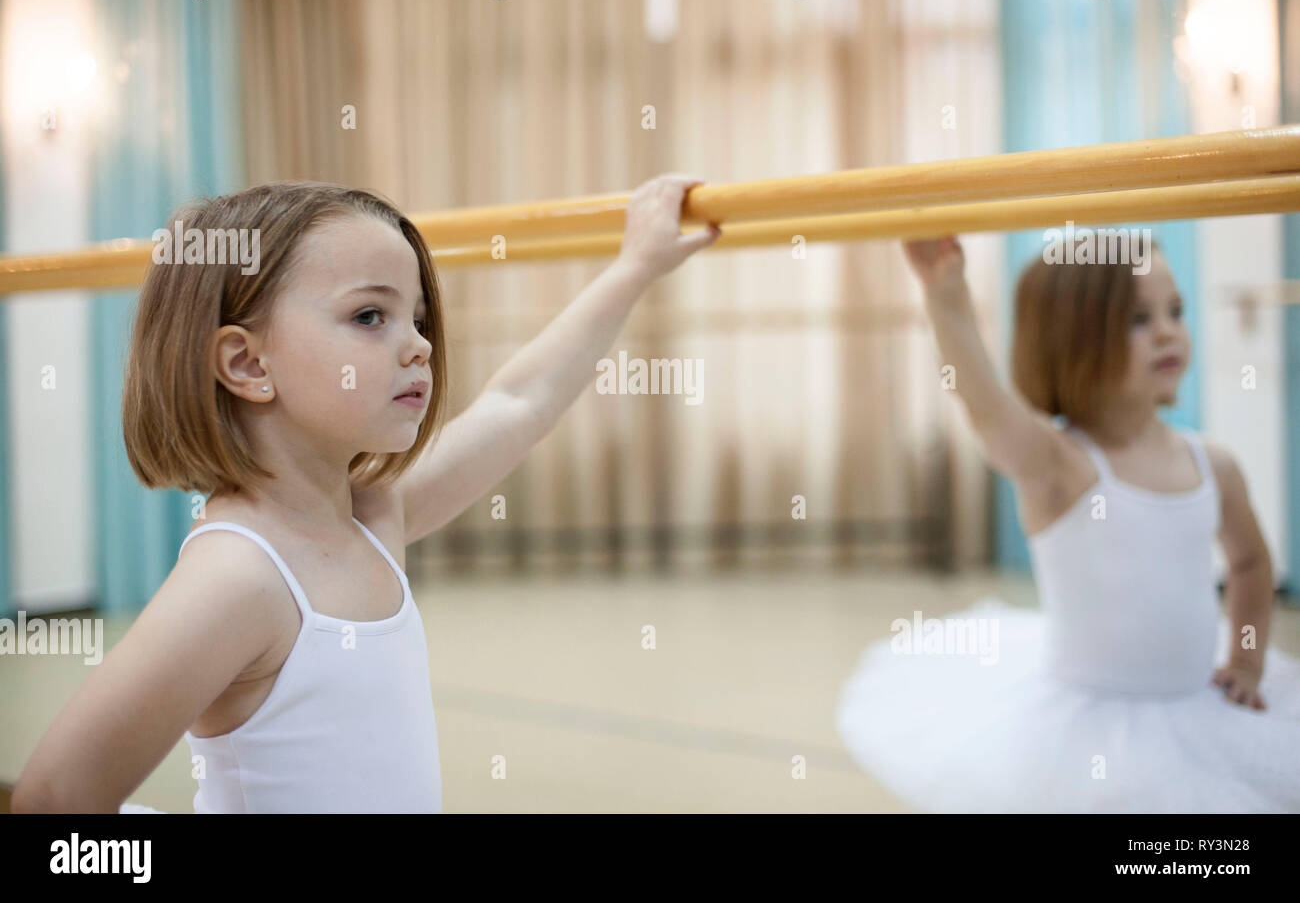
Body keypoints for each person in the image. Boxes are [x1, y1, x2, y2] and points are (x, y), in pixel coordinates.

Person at [12, 175, 720, 813]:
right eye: (370, 317)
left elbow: (520, 401)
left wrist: (635, 266)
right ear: (248, 363)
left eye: (417, 319)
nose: (420, 346)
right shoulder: (240, 577)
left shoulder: (372, 518)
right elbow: (53, 798)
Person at [835, 234, 1300, 812]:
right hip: (1090, 720)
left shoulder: (1214, 465)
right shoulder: (1061, 467)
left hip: (1198, 706)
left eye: (1175, 312)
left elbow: (1251, 563)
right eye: (1137, 319)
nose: (1167, 333)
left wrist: (1247, 660)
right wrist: (945, 294)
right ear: (1074, 338)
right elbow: (984, 404)